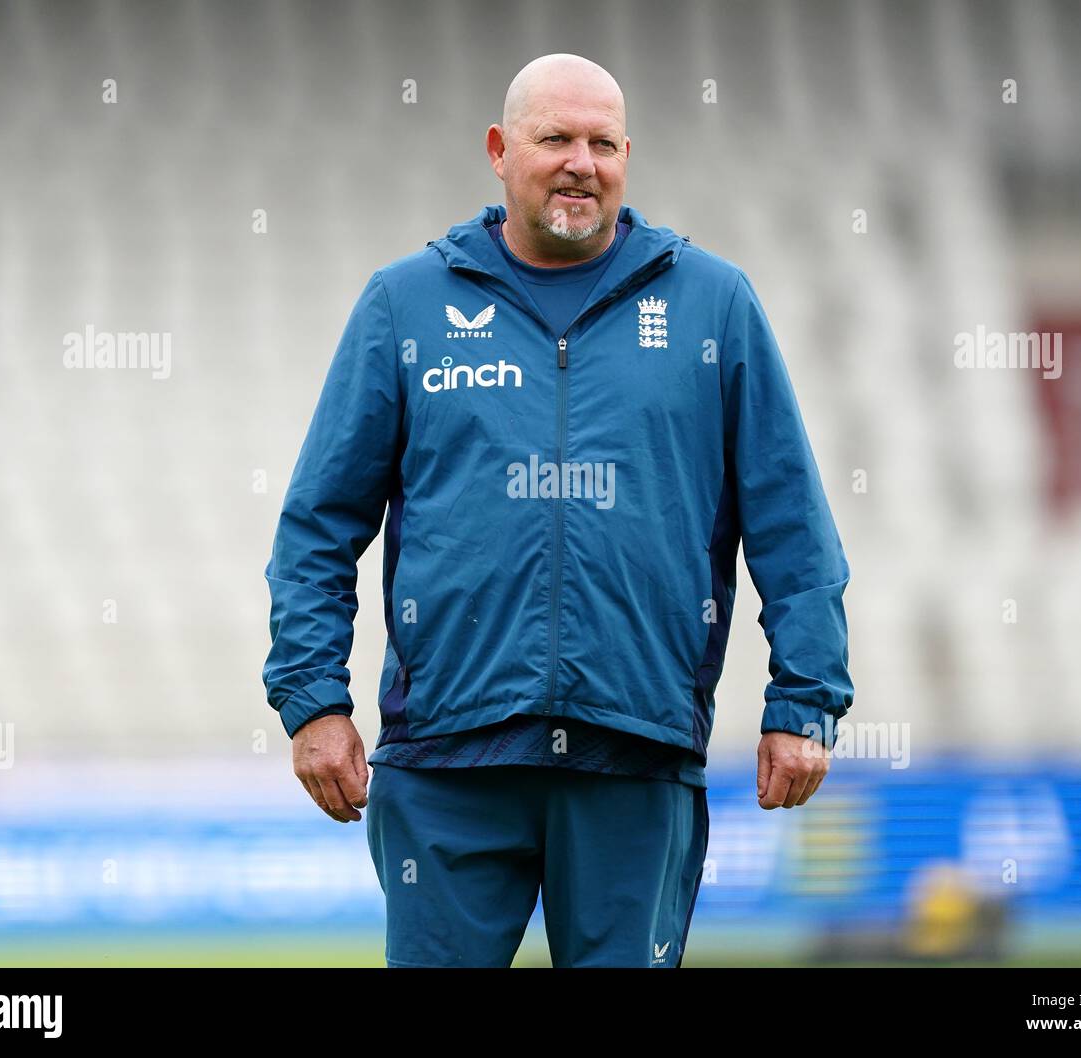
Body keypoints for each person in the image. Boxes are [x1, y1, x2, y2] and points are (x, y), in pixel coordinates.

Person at [262, 53, 853, 967]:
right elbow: (317, 525)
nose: (582, 162)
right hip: (447, 757)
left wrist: (804, 700)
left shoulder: (713, 305)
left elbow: (792, 528)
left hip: (638, 751)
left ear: (627, 156)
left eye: (603, 143)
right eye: (555, 139)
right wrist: (313, 702)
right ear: (501, 152)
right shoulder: (406, 305)